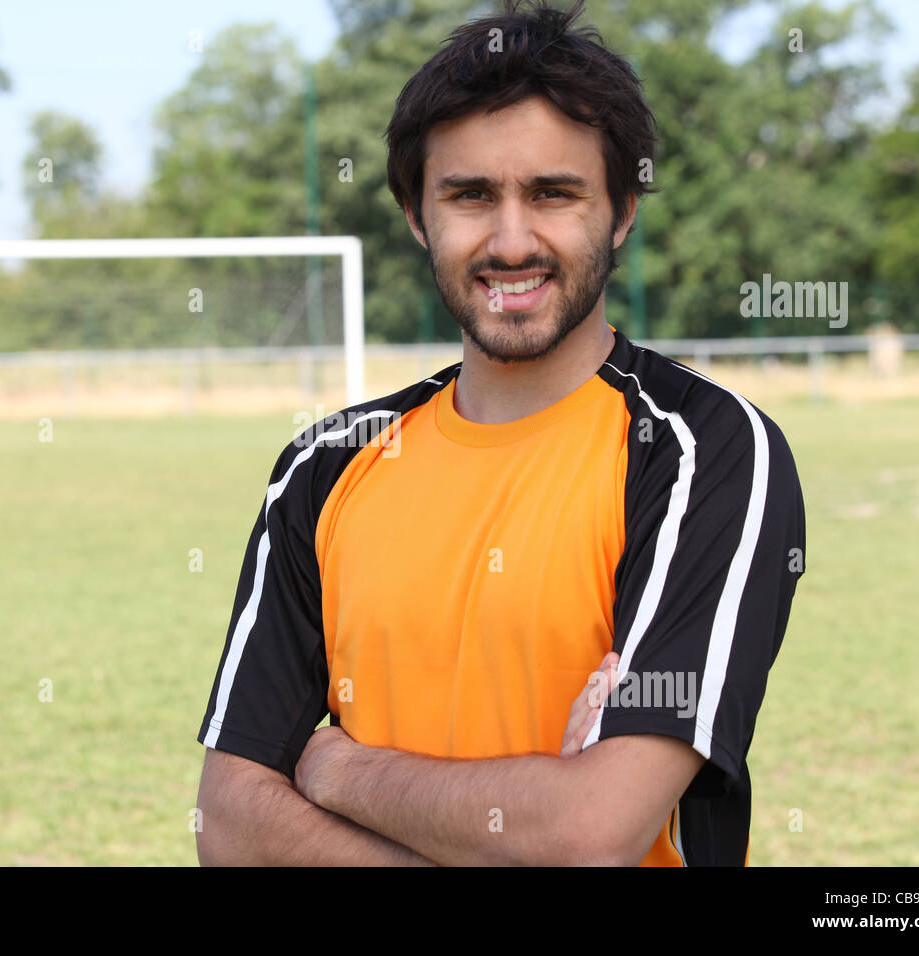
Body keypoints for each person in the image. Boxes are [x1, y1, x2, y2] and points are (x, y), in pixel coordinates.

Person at [195, 0, 805, 866]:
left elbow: (590, 834)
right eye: (471, 195)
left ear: (622, 210)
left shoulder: (702, 452)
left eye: (554, 193)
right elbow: (229, 826)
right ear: (417, 216)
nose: (512, 241)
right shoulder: (324, 467)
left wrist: (334, 768)